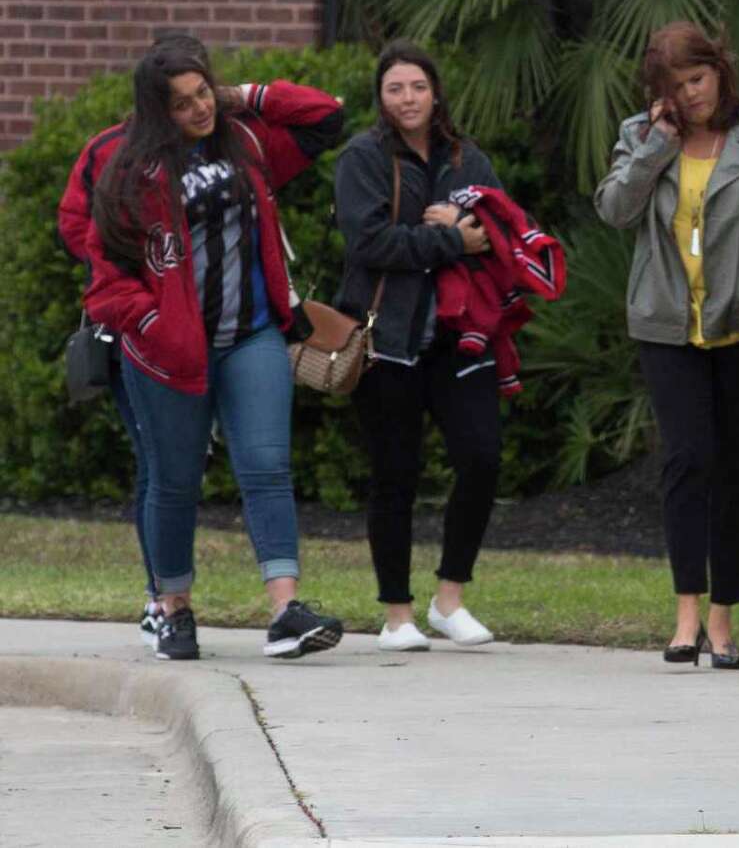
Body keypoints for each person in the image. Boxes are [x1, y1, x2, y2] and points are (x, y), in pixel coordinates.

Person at [84, 43, 347, 661]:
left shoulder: (246, 146)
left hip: (250, 334)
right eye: (182, 103)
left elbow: (325, 118)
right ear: (156, 110)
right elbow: (104, 280)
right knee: (174, 483)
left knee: (267, 466)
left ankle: (286, 611)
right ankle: (173, 609)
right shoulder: (127, 173)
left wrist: (247, 97)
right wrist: (151, 320)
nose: (199, 108)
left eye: (204, 93)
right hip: (168, 353)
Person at [594, 22, 739, 670]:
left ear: (720, 70)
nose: (691, 95)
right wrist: (656, 146)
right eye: (675, 86)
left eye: (697, 79)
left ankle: (723, 618)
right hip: (668, 326)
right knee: (686, 459)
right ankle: (685, 613)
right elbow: (613, 210)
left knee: (734, 468)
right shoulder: (641, 135)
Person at [333, 41, 509, 652]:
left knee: (482, 458)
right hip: (387, 340)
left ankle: (449, 599)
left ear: (436, 93)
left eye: (417, 87)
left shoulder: (468, 158)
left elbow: (501, 231)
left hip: (462, 337)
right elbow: (371, 244)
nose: (408, 99)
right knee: (394, 477)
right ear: (380, 99)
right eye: (394, 89)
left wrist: (470, 235)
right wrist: (450, 240)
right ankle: (397, 614)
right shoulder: (363, 158)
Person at [57, 32, 209, 647]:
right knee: (155, 461)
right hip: (131, 330)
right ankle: (158, 597)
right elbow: (74, 224)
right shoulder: (109, 150)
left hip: (200, 332)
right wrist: (133, 278)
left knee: (172, 464)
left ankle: (163, 594)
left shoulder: (215, 147)